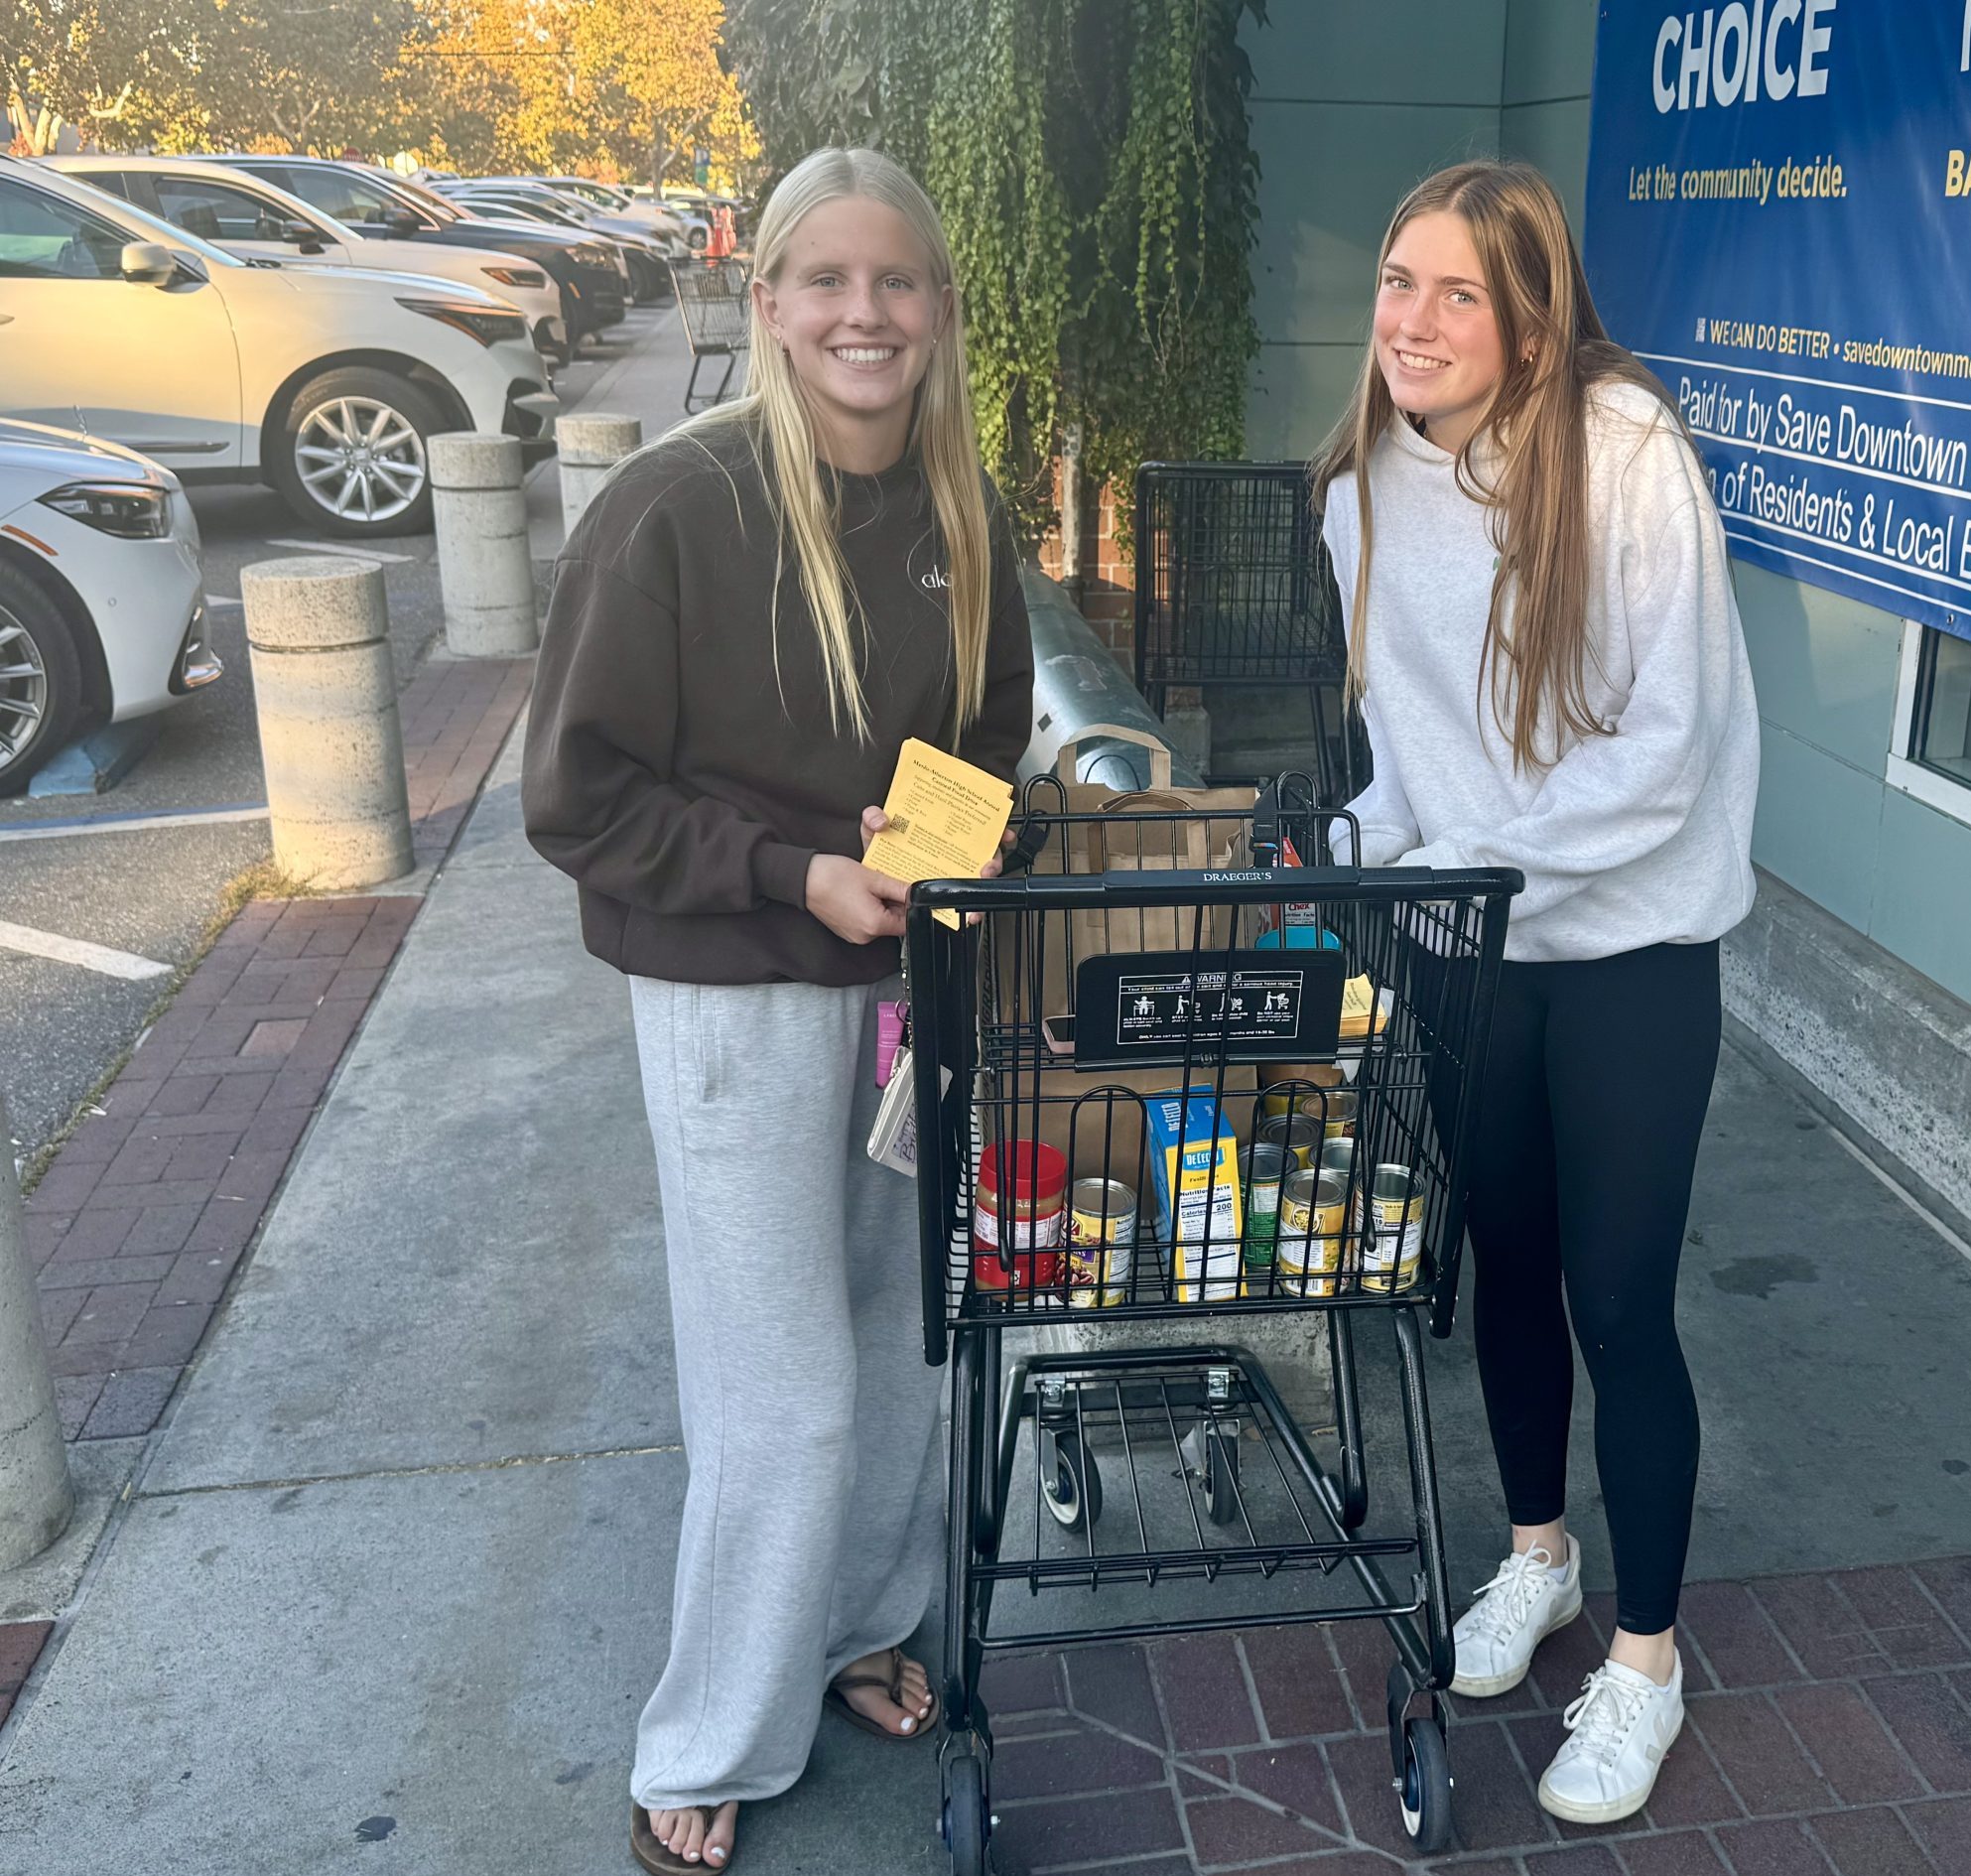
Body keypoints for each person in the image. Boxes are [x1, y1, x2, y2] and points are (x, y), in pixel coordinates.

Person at [521, 147, 1033, 1874]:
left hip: (907, 993)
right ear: (768, 302)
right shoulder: (675, 510)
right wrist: (790, 870)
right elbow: (579, 800)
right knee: (782, 1390)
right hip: (737, 992)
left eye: (897, 283)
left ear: (939, 311)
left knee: (899, 1348)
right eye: (827, 282)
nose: (864, 315)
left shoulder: (960, 514)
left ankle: (858, 1636)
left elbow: (987, 746)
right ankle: (714, 1724)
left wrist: (943, 846)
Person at [1312, 159, 1759, 1824]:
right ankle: (1535, 1558)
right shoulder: (1355, 487)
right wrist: (1347, 845)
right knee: (1501, 1266)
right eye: (1394, 283)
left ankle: (1644, 1659)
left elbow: (1668, 747)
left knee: (1619, 1303)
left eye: (1456, 295)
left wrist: (1466, 865)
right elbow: (1409, 758)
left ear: (1528, 321)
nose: (1412, 324)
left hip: (1630, 948)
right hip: (1465, 948)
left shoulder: (1624, 451)